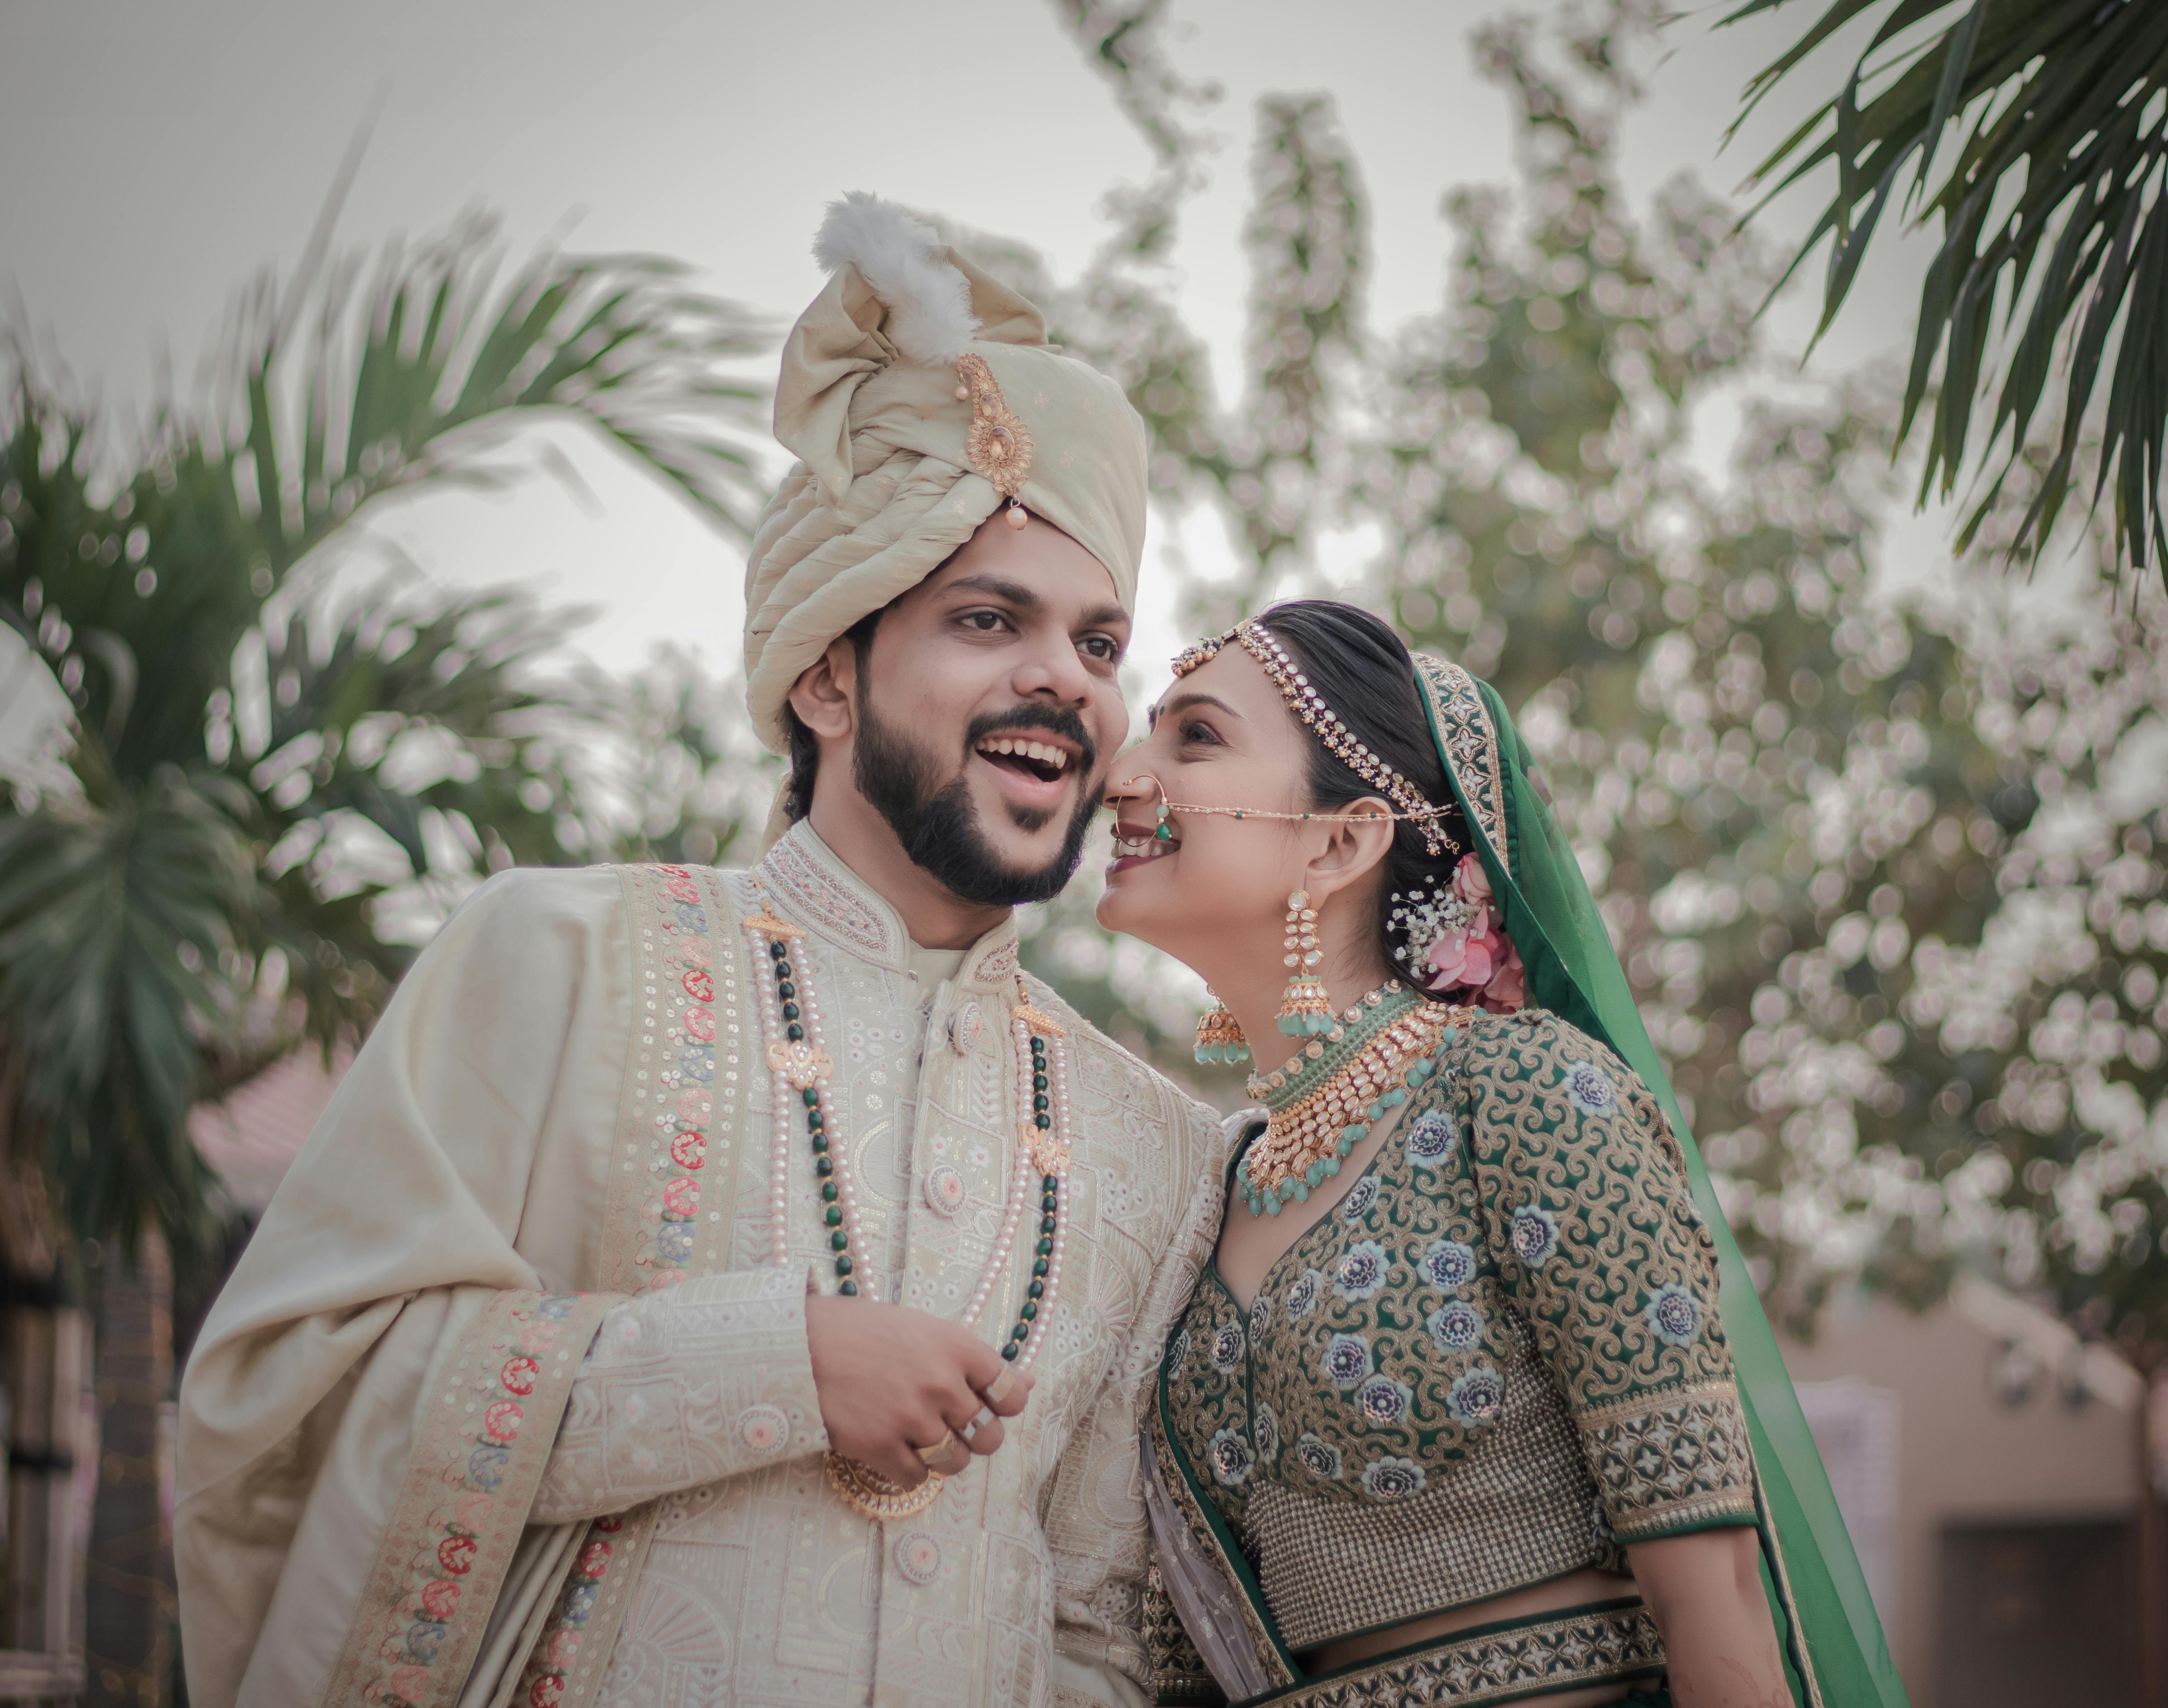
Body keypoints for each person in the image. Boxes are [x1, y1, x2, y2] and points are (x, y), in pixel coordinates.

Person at [173, 194, 1228, 1708]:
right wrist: (770, 1369)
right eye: (989, 618)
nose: (1061, 681)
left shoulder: (1150, 1151)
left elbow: (1105, 1633)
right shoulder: (556, 964)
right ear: (825, 679)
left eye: (1100, 644)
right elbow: (292, 1419)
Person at [1096, 601, 1906, 1708]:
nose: (1123, 774)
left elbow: (1715, 1599)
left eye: (1194, 736)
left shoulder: (1524, 1093)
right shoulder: (1207, 1189)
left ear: (1342, 841)